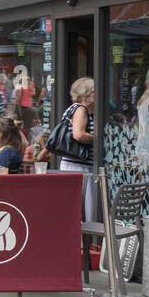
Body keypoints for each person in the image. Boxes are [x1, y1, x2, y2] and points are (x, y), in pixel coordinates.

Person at [59, 77, 97, 219]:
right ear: (84, 95)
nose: (97, 93)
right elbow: (79, 135)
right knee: (83, 211)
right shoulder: (80, 110)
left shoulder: (76, 109)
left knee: (78, 211)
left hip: (76, 165)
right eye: (94, 91)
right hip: (78, 167)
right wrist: (98, 140)